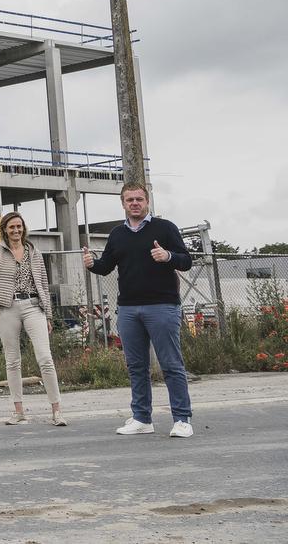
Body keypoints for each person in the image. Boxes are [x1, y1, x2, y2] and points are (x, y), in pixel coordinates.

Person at [83, 182, 194, 438]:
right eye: (130, 200)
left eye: (139, 199)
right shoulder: (117, 234)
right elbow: (106, 266)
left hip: (162, 306)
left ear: (147, 201)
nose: (134, 203)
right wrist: (91, 264)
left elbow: (186, 261)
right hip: (128, 309)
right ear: (123, 203)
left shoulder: (165, 228)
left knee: (171, 365)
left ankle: (182, 419)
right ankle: (142, 418)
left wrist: (168, 256)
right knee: (136, 366)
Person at [0, 213, 66, 426]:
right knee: (13, 360)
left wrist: (48, 315)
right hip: (7, 308)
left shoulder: (34, 252)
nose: (16, 230)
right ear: (5, 230)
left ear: (23, 228)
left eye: (19, 226)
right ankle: (18, 411)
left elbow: (43, 285)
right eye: (11, 227)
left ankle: (57, 411)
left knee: (45, 358)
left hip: (33, 306)